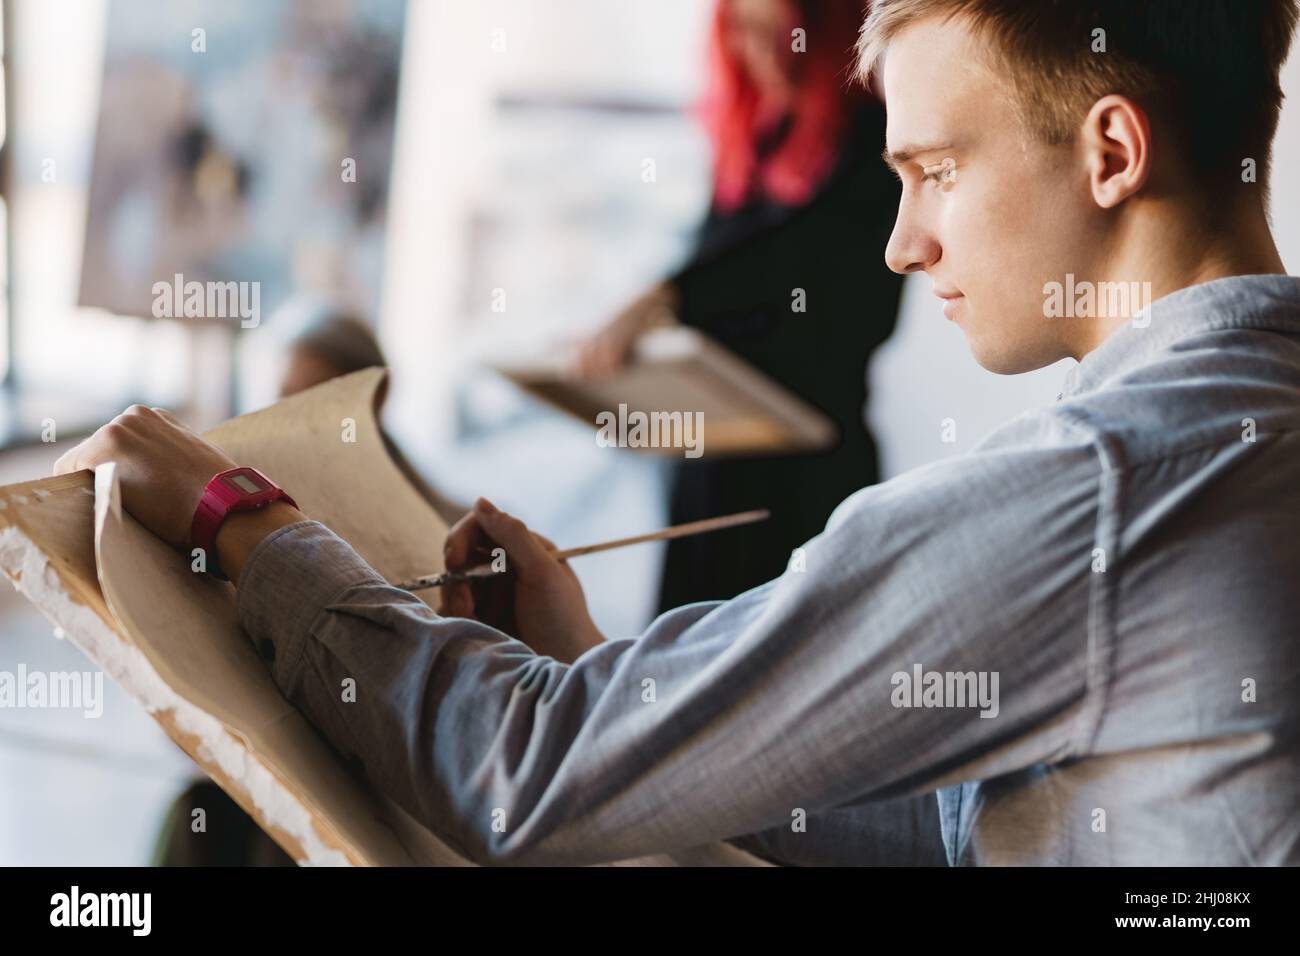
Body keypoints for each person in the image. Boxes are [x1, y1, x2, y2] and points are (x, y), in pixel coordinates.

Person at [57, 0, 1300, 865]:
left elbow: (518, 773)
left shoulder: (1094, 491)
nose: (902, 240)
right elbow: (957, 835)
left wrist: (240, 514)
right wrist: (619, 678)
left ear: (1111, 152)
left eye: (935, 169)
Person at [574, 0, 905, 610]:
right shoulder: (752, 145)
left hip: (806, 474)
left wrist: (665, 296)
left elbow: (789, 273)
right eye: (743, 35)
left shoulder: (872, 141)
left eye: (779, 33)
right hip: (714, 471)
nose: (762, 53)